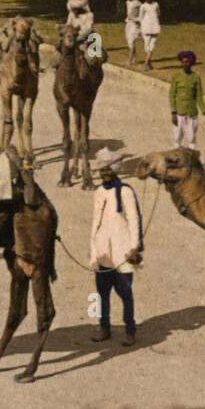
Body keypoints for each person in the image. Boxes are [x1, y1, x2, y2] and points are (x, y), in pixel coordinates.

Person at [89, 147, 143, 347]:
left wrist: (135, 247)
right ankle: (104, 328)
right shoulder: (98, 192)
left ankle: (130, 330)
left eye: (108, 169)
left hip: (123, 251)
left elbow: (134, 219)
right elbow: (95, 222)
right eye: (102, 170)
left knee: (125, 293)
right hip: (103, 251)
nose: (104, 173)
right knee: (102, 293)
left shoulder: (126, 191)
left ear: (115, 169)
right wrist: (93, 250)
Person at [170, 49, 205, 149]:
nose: (185, 64)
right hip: (179, 113)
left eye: (187, 62)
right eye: (183, 62)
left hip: (192, 114)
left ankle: (191, 161)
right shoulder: (176, 77)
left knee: (191, 139)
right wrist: (173, 112)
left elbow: (199, 96)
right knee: (177, 138)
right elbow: (172, 95)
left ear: (191, 63)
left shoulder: (196, 78)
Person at [139, 0, 161, 70]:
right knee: (146, 46)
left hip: (154, 26)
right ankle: (149, 63)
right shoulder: (143, 6)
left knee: (152, 45)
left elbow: (158, 13)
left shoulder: (156, 4)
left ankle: (146, 63)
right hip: (146, 27)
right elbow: (141, 17)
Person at [124, 0, 143, 66]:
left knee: (132, 41)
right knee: (129, 42)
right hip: (129, 24)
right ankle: (135, 57)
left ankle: (129, 59)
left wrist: (138, 20)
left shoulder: (138, 4)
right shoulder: (128, 2)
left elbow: (142, 14)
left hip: (135, 24)